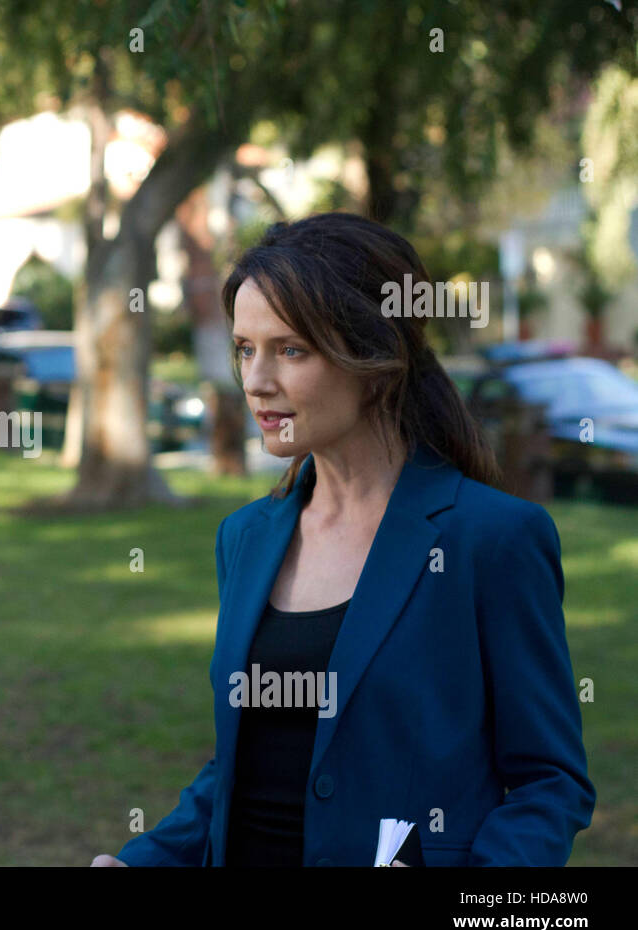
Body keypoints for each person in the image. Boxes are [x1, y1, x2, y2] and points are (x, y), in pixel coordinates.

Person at [93, 213, 594, 867]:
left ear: (376, 359)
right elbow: (242, 767)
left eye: (290, 349)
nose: (256, 380)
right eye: (245, 348)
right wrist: (142, 862)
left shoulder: (492, 541)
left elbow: (548, 785)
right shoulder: (244, 538)